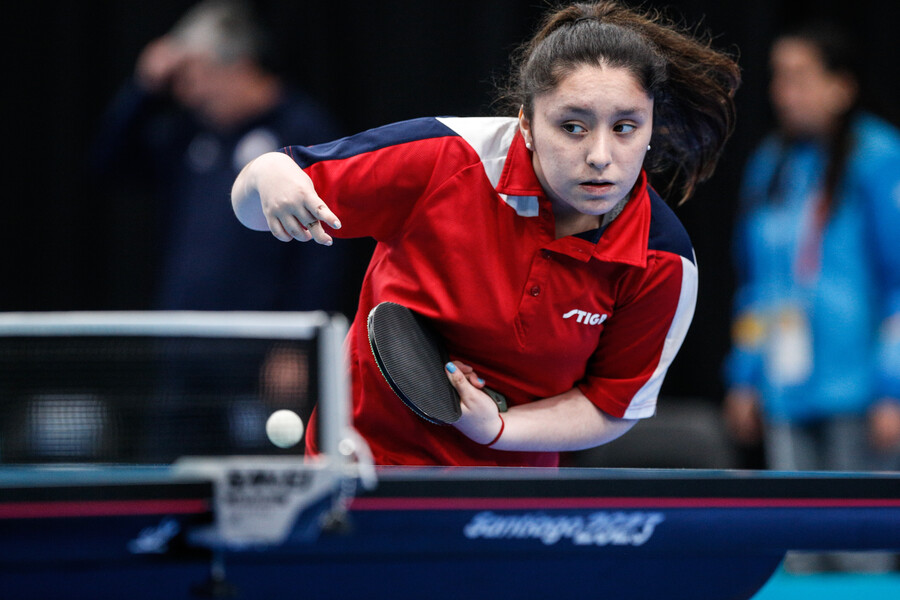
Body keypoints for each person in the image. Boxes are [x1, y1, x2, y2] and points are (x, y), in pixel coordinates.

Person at [231, 1, 740, 467]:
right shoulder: (446, 158)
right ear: (527, 126)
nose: (601, 156)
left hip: (508, 497)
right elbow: (257, 201)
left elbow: (612, 406)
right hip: (363, 464)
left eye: (625, 127)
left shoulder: (664, 261)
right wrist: (265, 174)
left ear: (650, 127)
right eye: (573, 126)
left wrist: (498, 430)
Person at [722, 21, 900, 570]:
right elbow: (756, 288)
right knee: (797, 553)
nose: (784, 92)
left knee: (860, 555)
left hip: (862, 397)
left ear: (841, 87)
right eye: (779, 77)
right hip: (786, 389)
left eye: (800, 76)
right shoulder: (769, 164)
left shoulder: (880, 156)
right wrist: (745, 375)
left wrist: (893, 388)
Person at [90, 0, 368, 315]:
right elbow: (109, 163)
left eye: (197, 76)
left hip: (265, 331)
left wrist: (300, 332)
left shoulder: (304, 129)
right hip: (182, 327)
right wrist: (143, 89)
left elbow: (325, 245)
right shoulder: (190, 131)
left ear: (240, 67)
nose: (189, 93)